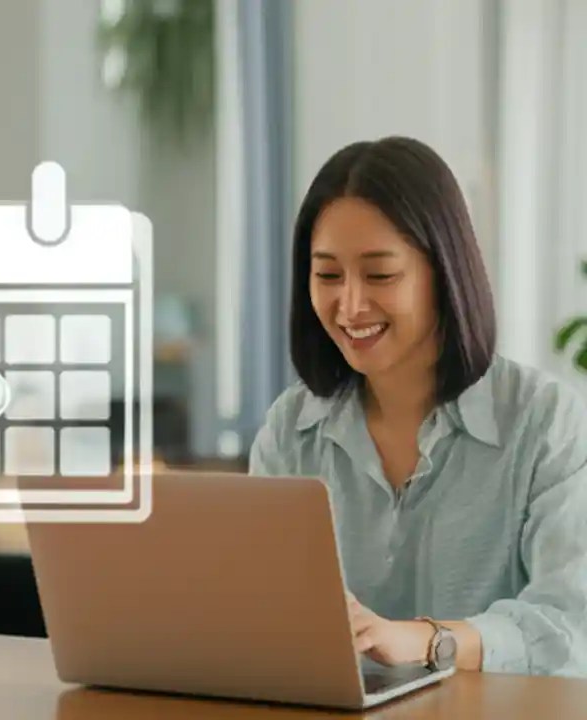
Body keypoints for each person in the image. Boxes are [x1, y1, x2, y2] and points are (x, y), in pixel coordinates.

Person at [250, 136, 587, 677]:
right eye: (328, 275)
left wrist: (425, 641)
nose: (351, 305)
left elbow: (573, 630)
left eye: (380, 274)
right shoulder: (290, 433)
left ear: (444, 274)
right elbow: (255, 616)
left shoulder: (546, 423)